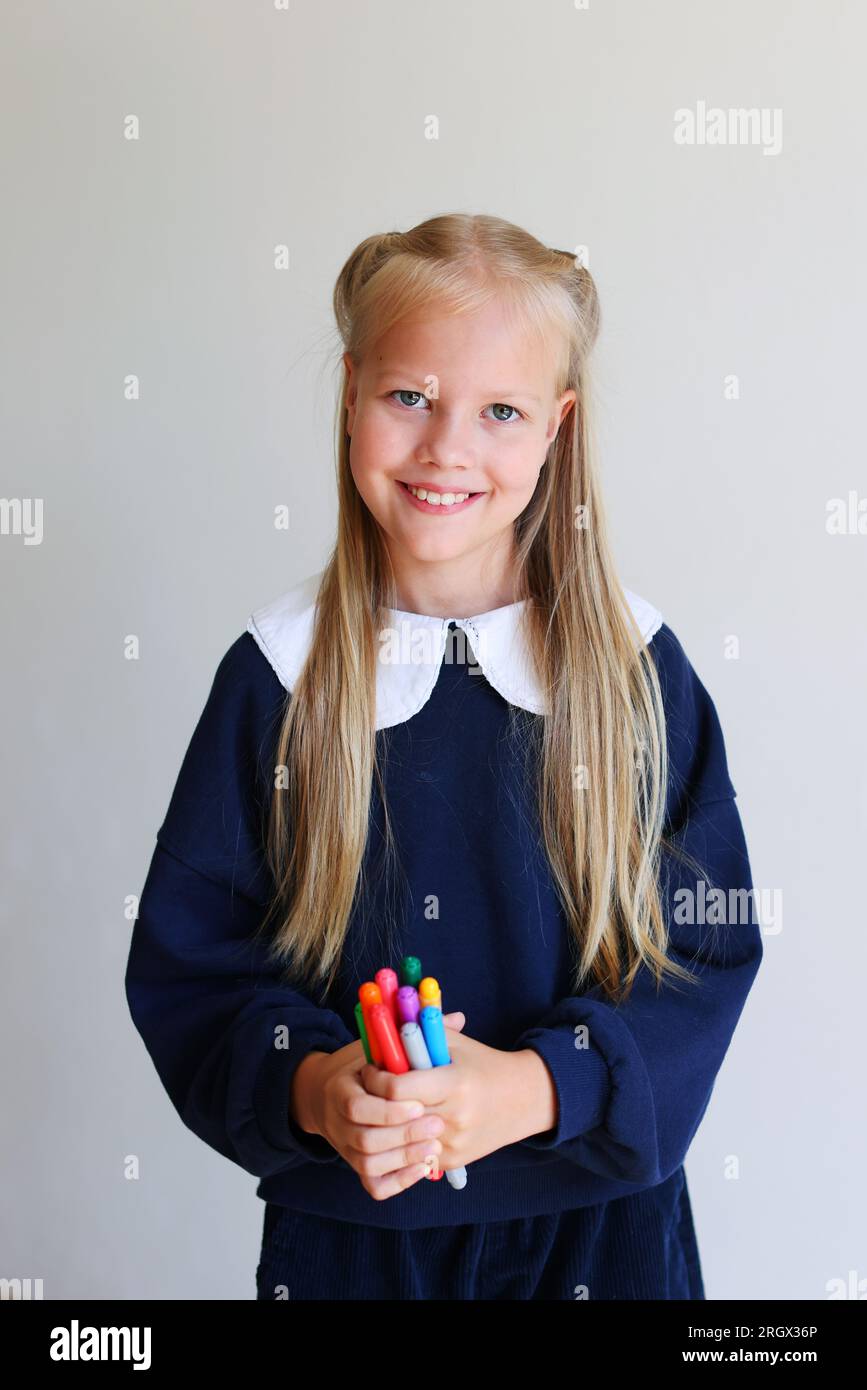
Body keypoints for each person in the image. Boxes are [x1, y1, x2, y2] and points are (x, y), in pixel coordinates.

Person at [125, 212, 764, 1300]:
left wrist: (536, 1087)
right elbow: (193, 966)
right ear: (349, 391)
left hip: (602, 1239)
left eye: (500, 411)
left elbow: (707, 950)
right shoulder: (275, 679)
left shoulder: (636, 672)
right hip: (356, 1244)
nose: (445, 448)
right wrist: (323, 1085)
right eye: (408, 396)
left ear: (557, 428)